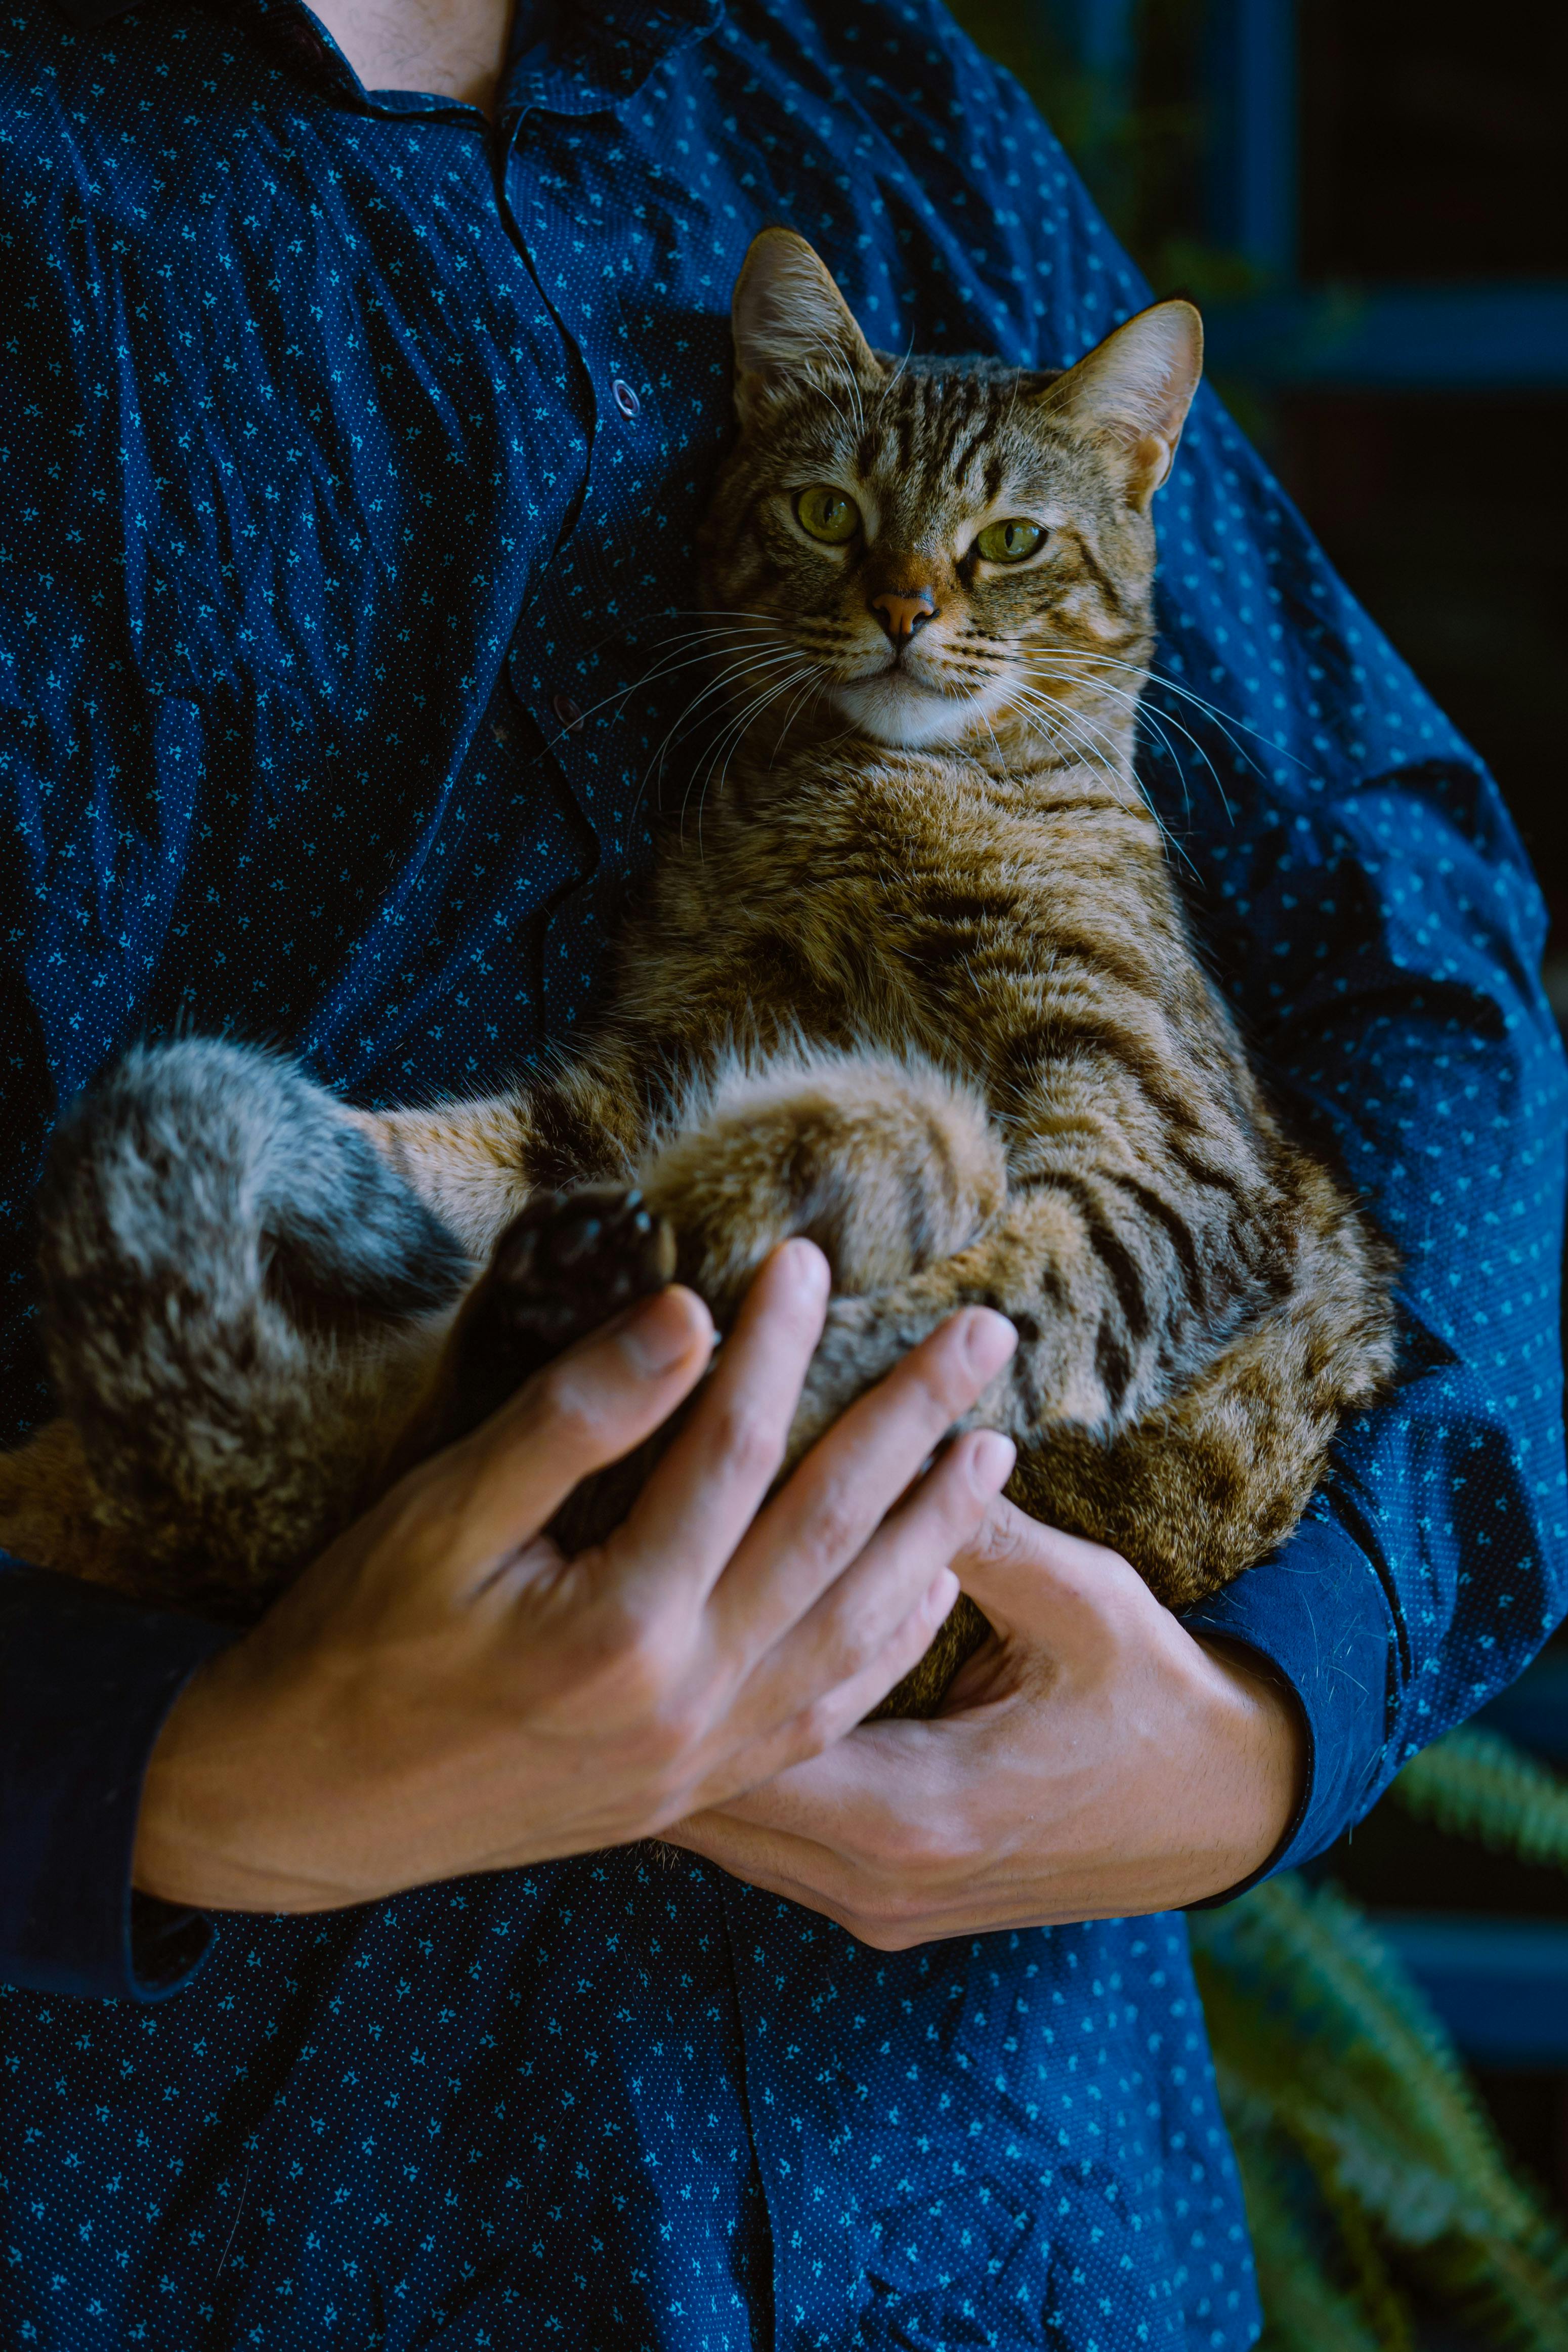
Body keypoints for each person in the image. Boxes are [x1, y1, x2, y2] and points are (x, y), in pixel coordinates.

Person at [0, 0, 1561, 2341]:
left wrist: (1271, 1720)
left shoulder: (885, 98)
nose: (917, 606)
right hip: (241, 2213)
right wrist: (174, 1784)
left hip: (1003, 2216)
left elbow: (1422, 924)